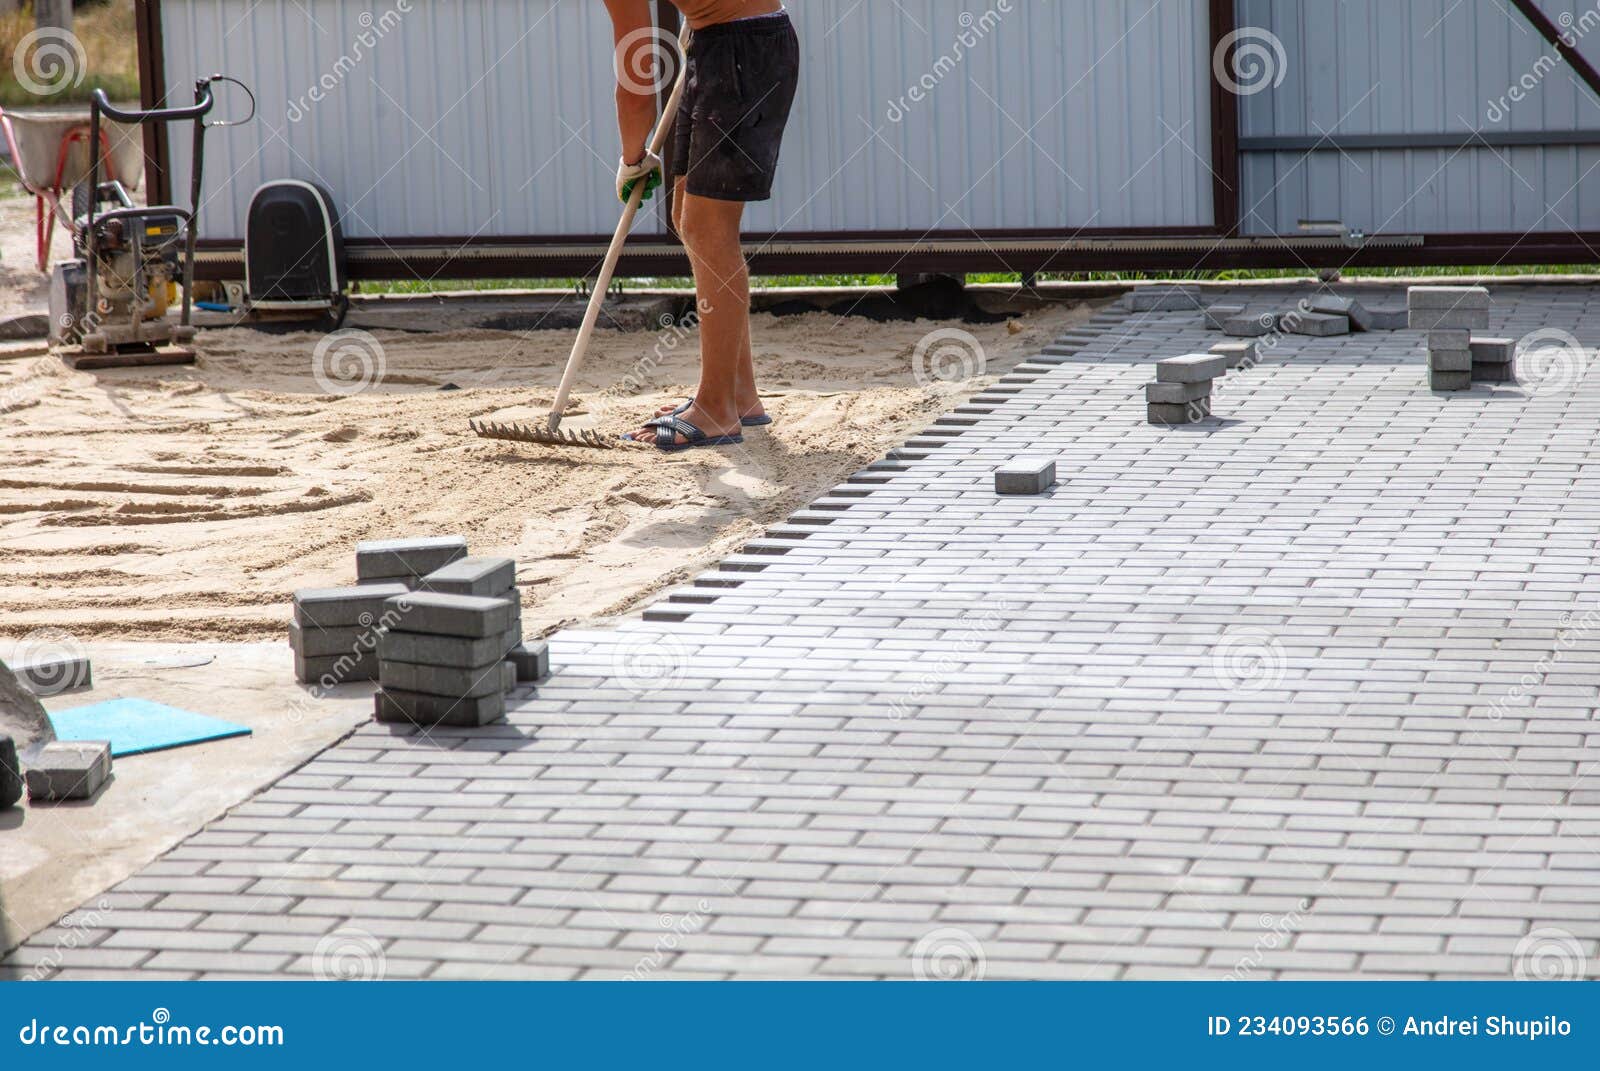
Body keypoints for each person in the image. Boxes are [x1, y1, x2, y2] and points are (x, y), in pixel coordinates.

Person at [602, 0, 800, 451]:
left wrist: (632, 160)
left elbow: (636, 79)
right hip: (719, 44)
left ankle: (715, 409)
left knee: (709, 229)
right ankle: (739, 393)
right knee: (688, 220)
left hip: (741, 53)